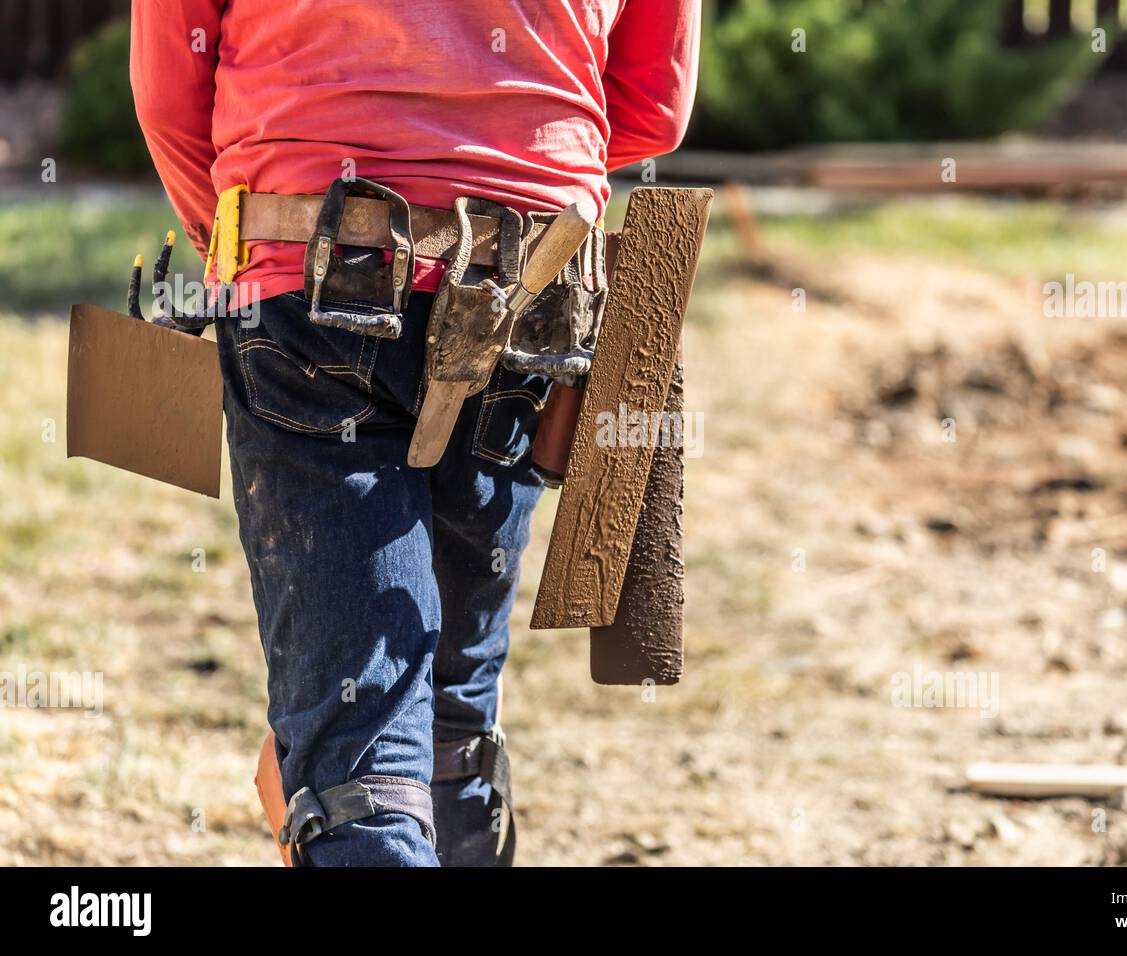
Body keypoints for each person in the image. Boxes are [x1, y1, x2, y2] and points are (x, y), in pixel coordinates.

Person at [130, 0, 700, 866]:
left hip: (307, 270)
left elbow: (172, 91)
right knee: (452, 720)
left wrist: (242, 248)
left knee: (360, 752)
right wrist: (501, 153)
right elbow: (652, 103)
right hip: (528, 290)